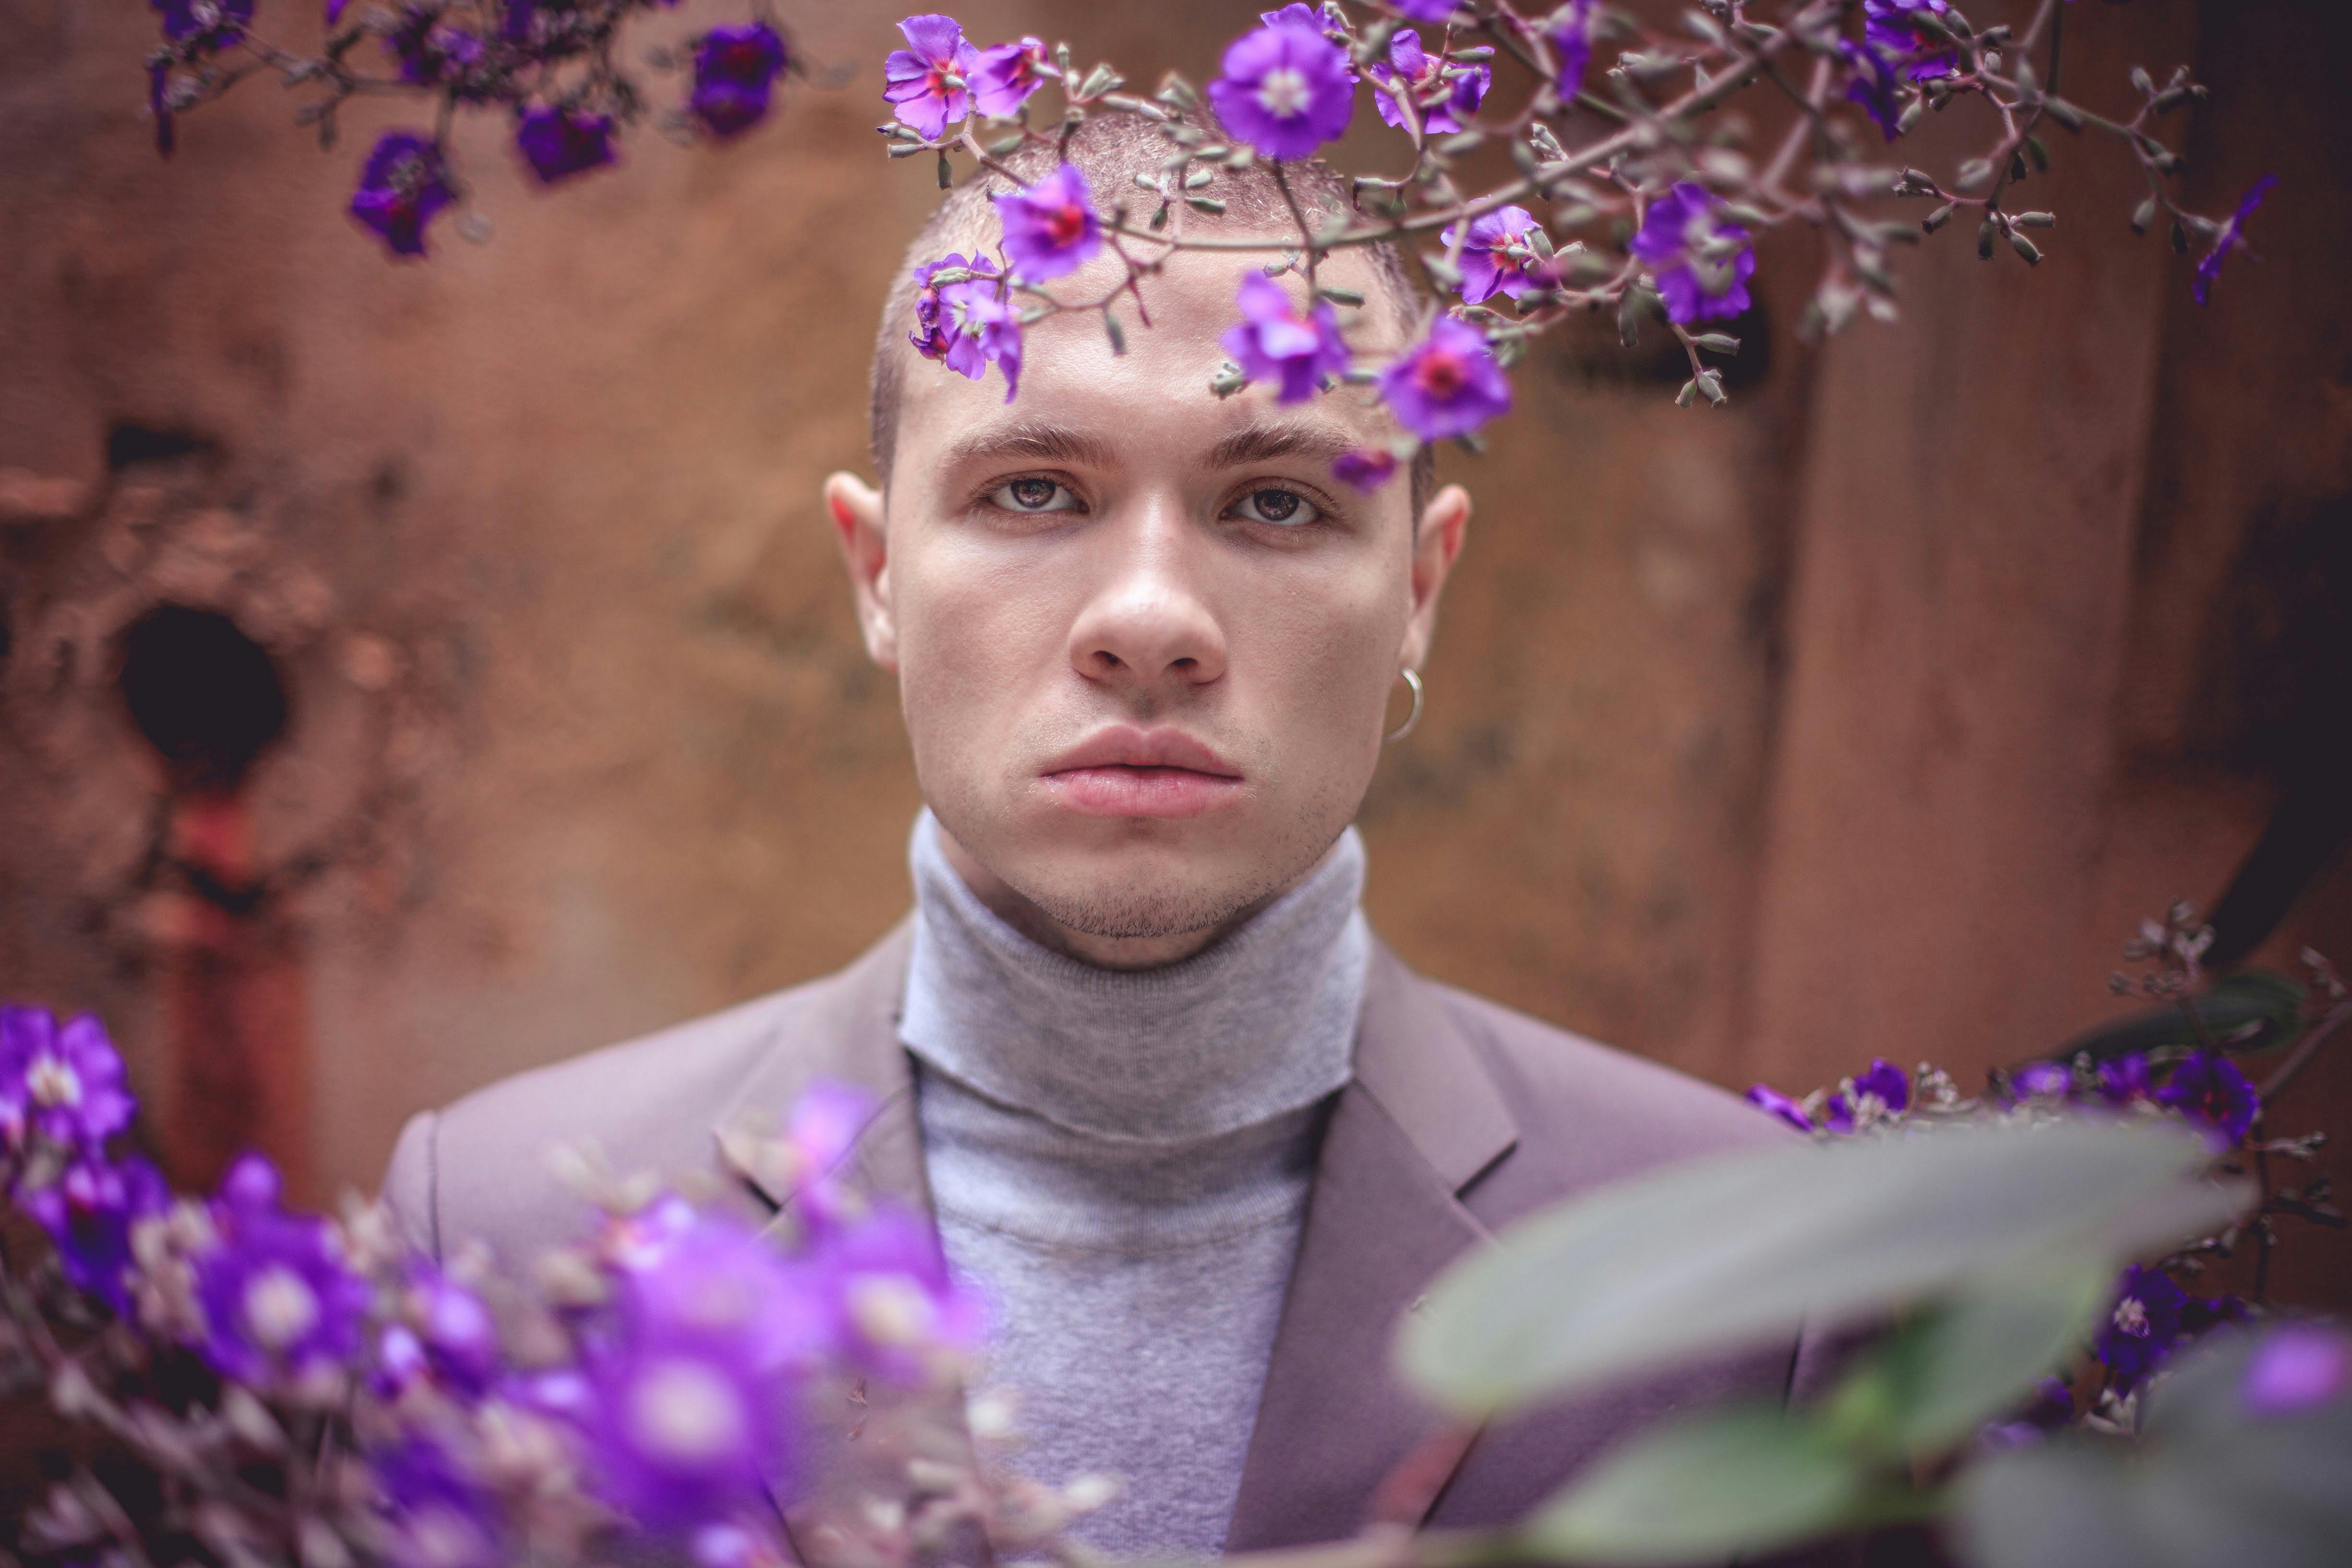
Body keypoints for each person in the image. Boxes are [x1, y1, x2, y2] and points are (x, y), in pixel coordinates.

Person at [381, 115, 1838, 1562]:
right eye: (1031, 491)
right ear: (877, 573)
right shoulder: (496, 1234)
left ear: (1420, 588)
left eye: (1275, 499)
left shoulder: (1747, 1276)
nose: (1149, 621)